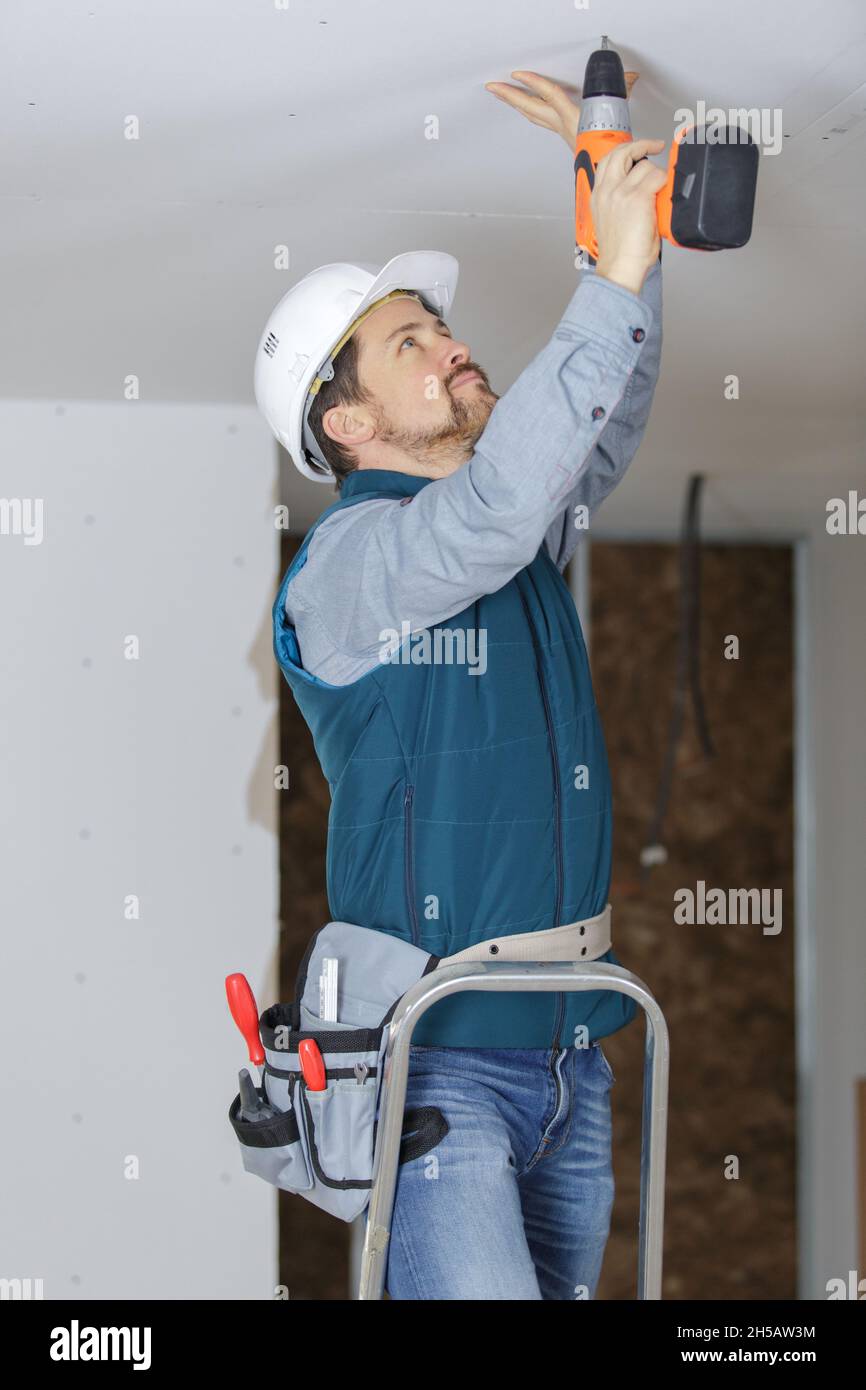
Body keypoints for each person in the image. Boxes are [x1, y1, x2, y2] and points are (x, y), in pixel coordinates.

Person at [255, 71, 667, 1300]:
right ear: (347, 426)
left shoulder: (512, 533)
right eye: (410, 342)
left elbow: (601, 418)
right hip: (439, 1064)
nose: (451, 344)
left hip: (573, 1051)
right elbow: (489, 514)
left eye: (437, 326)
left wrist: (613, 221)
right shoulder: (345, 569)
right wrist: (610, 283)